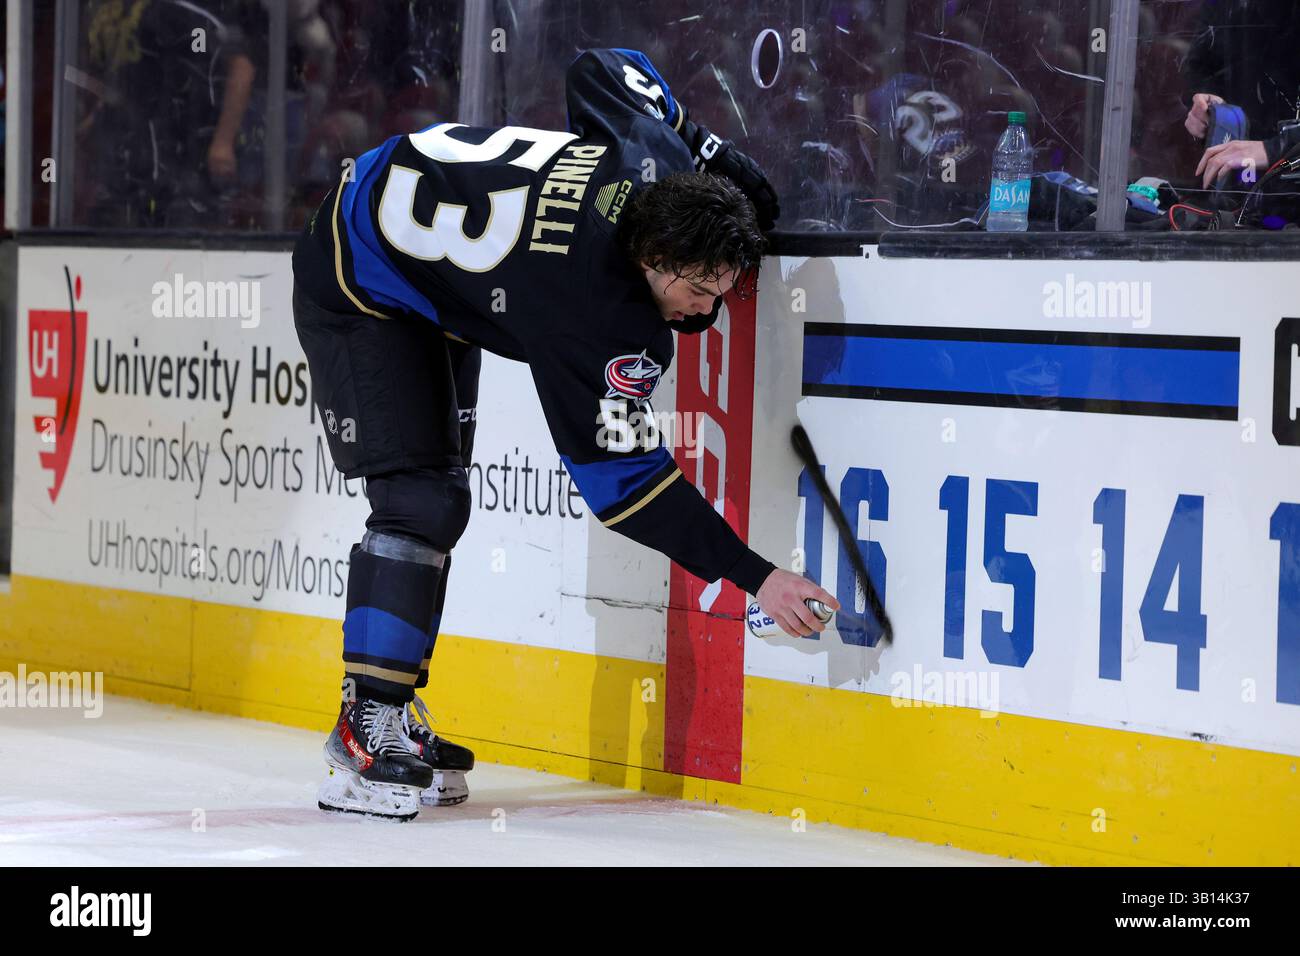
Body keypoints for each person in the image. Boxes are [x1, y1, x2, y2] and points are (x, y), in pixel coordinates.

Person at [291, 47, 838, 821]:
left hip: (432, 261)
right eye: (696, 290)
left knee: (438, 497)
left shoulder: (657, 163)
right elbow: (629, 493)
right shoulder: (602, 318)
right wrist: (757, 577)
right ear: (652, 259)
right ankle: (364, 725)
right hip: (356, 274)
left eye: (722, 291)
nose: (704, 313)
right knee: (422, 502)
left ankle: (389, 708)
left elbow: (603, 67)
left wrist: (709, 148)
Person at [1182, 0, 1300, 189]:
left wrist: (1275, 149)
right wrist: (1206, 106)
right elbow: (1199, 66)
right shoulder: (1224, 6)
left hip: (1288, 180)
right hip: (1236, 177)